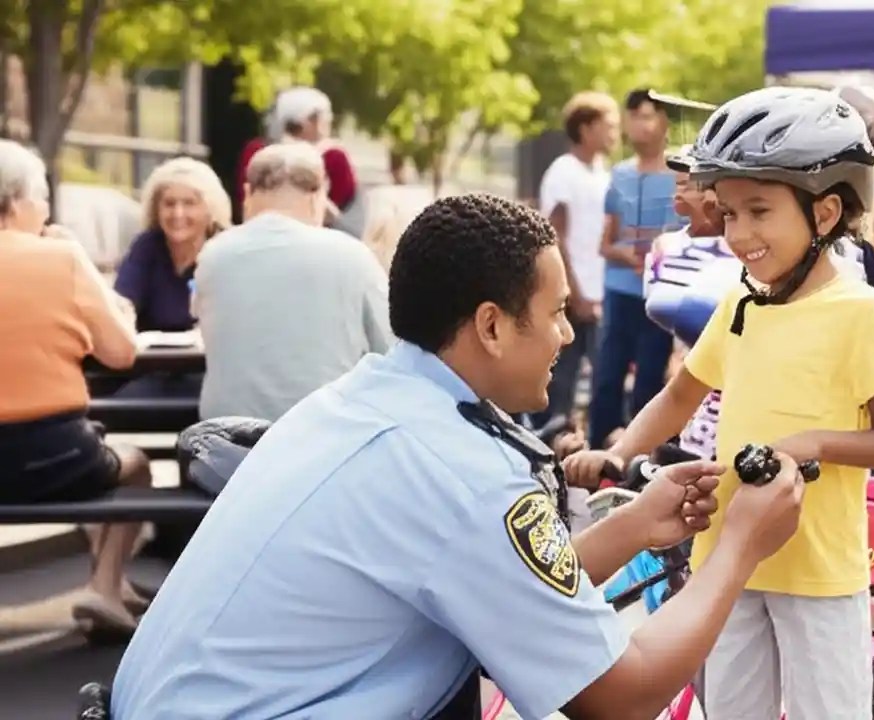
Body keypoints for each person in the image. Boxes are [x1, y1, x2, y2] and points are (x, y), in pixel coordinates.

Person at [109, 192, 808, 719]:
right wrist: (740, 546)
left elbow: (496, 586)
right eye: (557, 310)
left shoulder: (361, 402)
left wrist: (636, 528)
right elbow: (619, 695)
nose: (567, 334)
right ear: (492, 326)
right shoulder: (464, 473)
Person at [565, 86, 874, 720]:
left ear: (828, 213)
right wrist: (616, 453)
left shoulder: (865, 313)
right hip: (726, 562)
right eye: (728, 214)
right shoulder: (740, 302)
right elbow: (679, 395)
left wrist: (812, 443)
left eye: (758, 211)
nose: (739, 234)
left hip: (819, 574)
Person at [0, 139, 152, 634]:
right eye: (43, 198)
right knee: (136, 468)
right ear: (19, 201)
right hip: (58, 457)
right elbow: (121, 353)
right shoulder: (61, 259)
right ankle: (105, 588)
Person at [194, 143, 392, 422]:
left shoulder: (213, 255)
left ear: (247, 194)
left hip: (227, 446)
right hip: (325, 438)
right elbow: (391, 349)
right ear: (318, 197)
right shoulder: (352, 255)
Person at [589, 89, 683, 449]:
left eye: (649, 116)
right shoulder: (620, 174)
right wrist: (625, 256)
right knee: (607, 379)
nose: (641, 125)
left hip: (658, 299)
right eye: (635, 116)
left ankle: (639, 459)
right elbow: (606, 242)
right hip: (618, 293)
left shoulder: (679, 176)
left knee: (649, 384)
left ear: (665, 123)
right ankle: (596, 458)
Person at [532, 91, 619, 428]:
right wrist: (575, 293)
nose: (615, 133)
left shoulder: (602, 173)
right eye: (607, 126)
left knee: (601, 381)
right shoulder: (563, 172)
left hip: (599, 295)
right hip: (571, 298)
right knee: (559, 382)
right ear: (585, 129)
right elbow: (554, 235)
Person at [115, 157, 231, 333]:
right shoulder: (147, 247)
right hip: (152, 358)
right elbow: (121, 305)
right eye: (169, 204)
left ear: (209, 210)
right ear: (156, 209)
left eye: (189, 203)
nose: (178, 214)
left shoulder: (226, 251)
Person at [236, 86, 359, 228]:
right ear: (307, 122)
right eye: (323, 116)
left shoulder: (334, 155)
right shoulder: (333, 157)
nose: (329, 121)